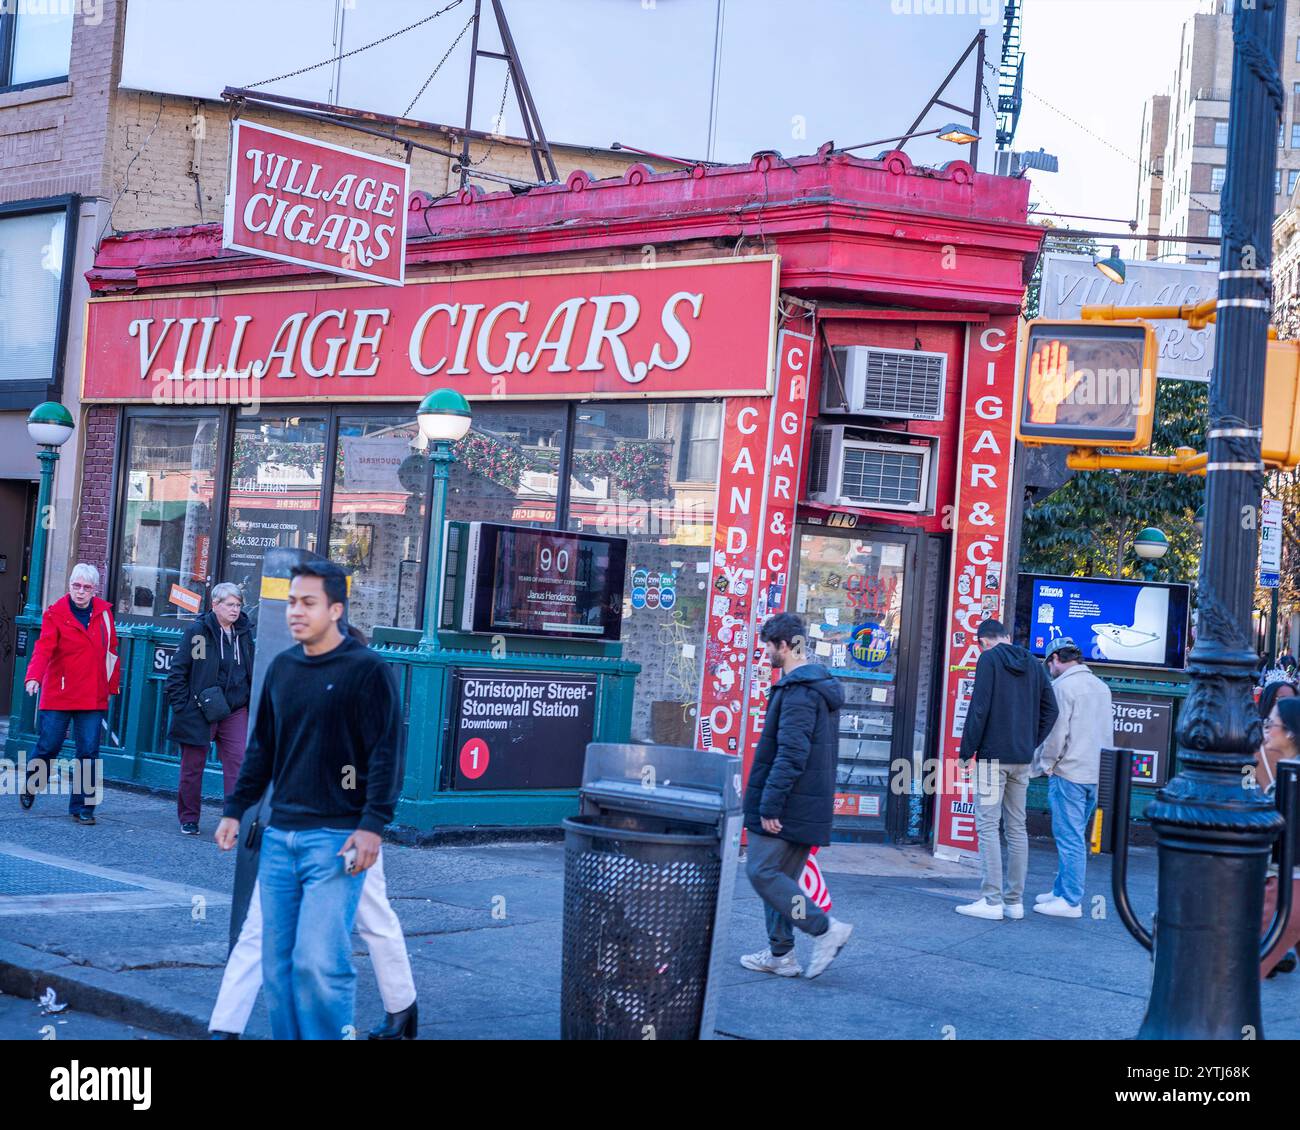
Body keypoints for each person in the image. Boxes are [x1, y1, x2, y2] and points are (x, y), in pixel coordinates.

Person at [215, 561, 402, 1040]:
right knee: (278, 969)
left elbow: (386, 753)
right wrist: (236, 809)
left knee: (318, 962)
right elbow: (262, 750)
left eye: (308, 603)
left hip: (337, 838)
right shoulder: (283, 668)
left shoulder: (367, 670)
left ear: (336, 609)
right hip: (281, 836)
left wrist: (372, 825)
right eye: (292, 601)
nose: (295, 612)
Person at [739, 612, 853, 980]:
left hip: (787, 804)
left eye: (770, 647)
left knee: (761, 872)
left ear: (785, 646)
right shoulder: (814, 685)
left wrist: (770, 804)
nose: (767, 654)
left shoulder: (799, 690)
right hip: (804, 804)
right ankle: (781, 955)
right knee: (780, 882)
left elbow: (791, 753)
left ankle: (824, 930)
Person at [209, 849, 418, 1040]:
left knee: (372, 918)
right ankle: (226, 1027)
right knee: (258, 930)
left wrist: (369, 828)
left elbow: (379, 806)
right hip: (286, 832)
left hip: (348, 836)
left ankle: (401, 1004)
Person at [955, 619, 1058, 920]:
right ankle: (1014, 902)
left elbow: (979, 707)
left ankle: (990, 901)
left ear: (982, 642)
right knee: (1016, 828)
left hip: (991, 757)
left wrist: (965, 752)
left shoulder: (988, 659)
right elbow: (1051, 709)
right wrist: (1029, 741)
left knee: (987, 826)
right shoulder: (1033, 662)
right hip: (1021, 759)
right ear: (1008, 637)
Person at [19, 563, 119, 824]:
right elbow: (43, 648)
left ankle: (83, 808)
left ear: (94, 590)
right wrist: (33, 677)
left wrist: (111, 687)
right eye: (76, 586)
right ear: (70, 586)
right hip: (60, 691)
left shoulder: (105, 614)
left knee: (89, 751)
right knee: (49, 745)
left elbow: (112, 652)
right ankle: (31, 784)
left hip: (92, 694)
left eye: (86, 587)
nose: (81, 592)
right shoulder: (55, 613)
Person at [1031, 637, 1113, 919]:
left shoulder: (1062, 687)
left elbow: (1056, 734)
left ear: (1055, 659)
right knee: (1075, 835)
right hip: (1095, 772)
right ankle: (1060, 890)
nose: (1049, 669)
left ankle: (1071, 900)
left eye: (1049, 663)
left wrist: (1047, 763)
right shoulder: (1101, 687)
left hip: (1069, 772)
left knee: (1069, 838)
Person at [165, 583, 254, 836]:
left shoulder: (244, 633)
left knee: (238, 764)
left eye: (238, 605)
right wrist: (184, 707)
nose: (235, 610)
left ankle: (233, 819)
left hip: (235, 709)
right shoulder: (199, 633)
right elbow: (180, 671)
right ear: (215, 605)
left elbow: (250, 669)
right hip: (200, 710)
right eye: (230, 604)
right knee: (193, 767)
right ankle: (189, 817)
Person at [1259, 695, 1300, 977]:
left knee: (1244, 974)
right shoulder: (1287, 769)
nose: (1268, 728)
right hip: (1287, 880)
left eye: (1272, 723)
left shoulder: (1293, 774)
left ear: (1290, 733)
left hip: (1288, 883)